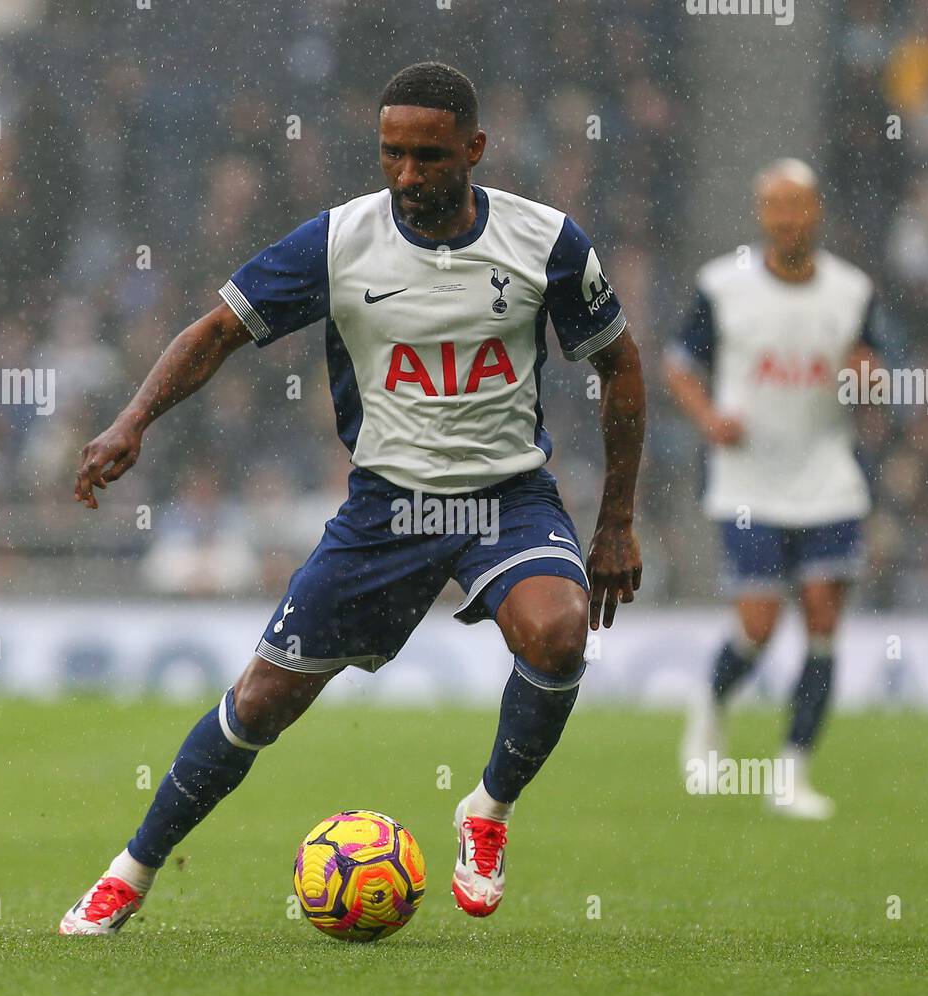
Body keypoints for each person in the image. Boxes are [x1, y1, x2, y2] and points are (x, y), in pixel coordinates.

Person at [60, 62, 644, 932]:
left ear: (475, 150)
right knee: (259, 703)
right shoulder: (339, 243)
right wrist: (133, 421)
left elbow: (620, 366)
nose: (409, 176)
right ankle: (130, 871)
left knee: (559, 637)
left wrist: (618, 524)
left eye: (430, 156)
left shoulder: (547, 242)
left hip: (505, 498)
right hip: (385, 511)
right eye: (392, 155)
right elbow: (220, 329)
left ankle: (486, 812)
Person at [665, 159, 883, 820]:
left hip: (827, 476)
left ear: (816, 211)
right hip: (749, 477)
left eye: (798, 206)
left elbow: (872, 367)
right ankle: (709, 710)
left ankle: (792, 773)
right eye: (776, 207)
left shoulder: (851, 290)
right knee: (759, 625)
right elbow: (679, 363)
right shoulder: (722, 285)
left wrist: (867, 377)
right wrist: (708, 418)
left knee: (822, 621)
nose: (787, 218)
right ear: (762, 215)